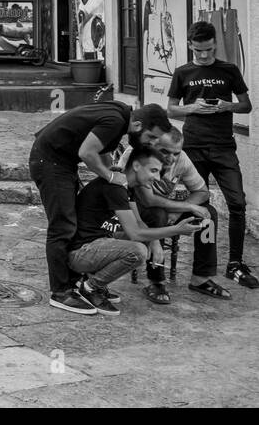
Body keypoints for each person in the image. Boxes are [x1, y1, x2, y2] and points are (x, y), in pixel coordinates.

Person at [30, 101, 171, 314]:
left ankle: (77, 284)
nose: (149, 142)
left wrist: (109, 168)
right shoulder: (115, 120)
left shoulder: (121, 115)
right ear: (139, 124)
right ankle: (61, 292)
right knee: (63, 226)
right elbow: (88, 152)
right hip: (50, 161)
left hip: (60, 161)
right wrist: (110, 176)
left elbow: (103, 148)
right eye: (150, 137)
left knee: (72, 220)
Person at [167, 20, 258, 288]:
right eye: (198, 51)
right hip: (193, 145)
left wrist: (225, 106)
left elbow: (246, 106)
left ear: (215, 44)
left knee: (238, 203)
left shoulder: (229, 70)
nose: (204, 56)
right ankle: (203, 267)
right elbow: (171, 110)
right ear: (190, 46)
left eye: (208, 50)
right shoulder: (183, 72)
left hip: (223, 146)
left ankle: (235, 263)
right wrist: (192, 108)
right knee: (201, 204)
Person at [67, 146, 203, 315]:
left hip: (96, 243)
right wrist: (176, 230)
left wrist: (155, 242)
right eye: (153, 170)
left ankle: (93, 283)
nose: (157, 177)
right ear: (137, 166)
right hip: (80, 253)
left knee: (144, 241)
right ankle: (90, 288)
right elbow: (135, 233)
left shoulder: (126, 185)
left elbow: (139, 223)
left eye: (159, 172)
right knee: (138, 251)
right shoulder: (115, 187)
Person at [119, 128, 228, 303]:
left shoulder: (182, 159)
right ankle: (156, 280)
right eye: (164, 151)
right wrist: (182, 207)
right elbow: (148, 200)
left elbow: (202, 192)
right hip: (133, 210)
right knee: (159, 216)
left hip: (165, 207)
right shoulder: (137, 155)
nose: (171, 158)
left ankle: (201, 277)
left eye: (176, 153)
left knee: (209, 215)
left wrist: (178, 211)